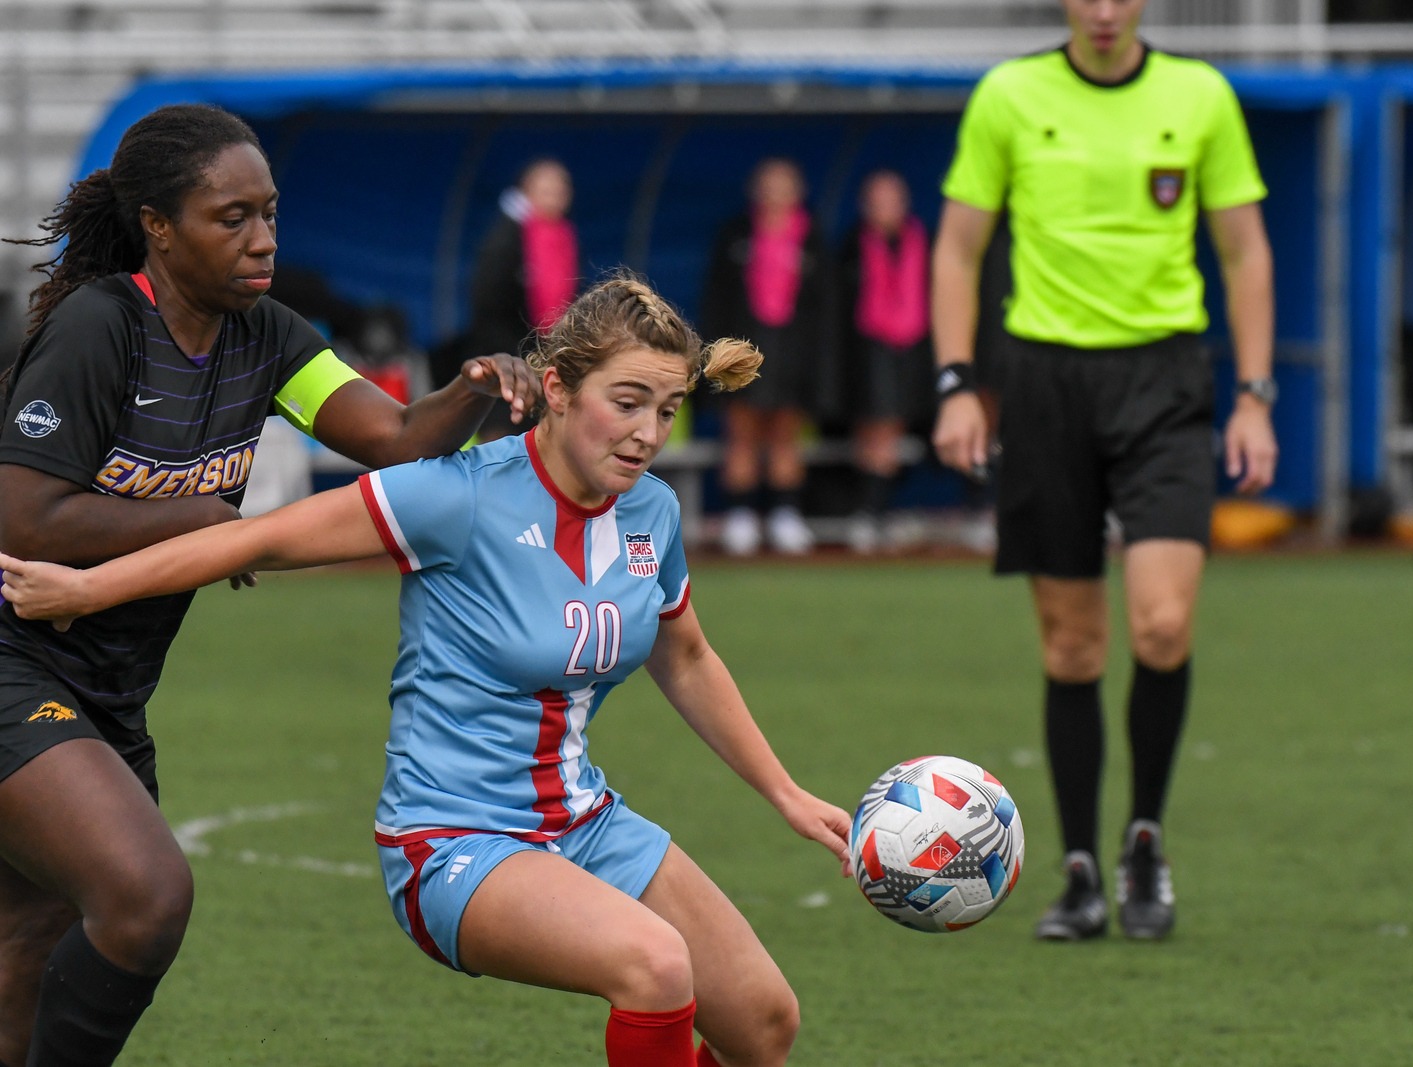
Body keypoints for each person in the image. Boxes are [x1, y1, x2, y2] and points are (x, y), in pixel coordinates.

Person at [0, 276, 852, 1067]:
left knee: (763, 1019)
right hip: (454, 841)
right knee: (657, 966)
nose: (646, 434)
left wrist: (786, 792)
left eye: (666, 410)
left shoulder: (652, 513)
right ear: (557, 389)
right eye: (626, 402)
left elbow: (688, 654)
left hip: (585, 821)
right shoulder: (460, 494)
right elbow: (254, 538)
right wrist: (85, 584)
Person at [0, 102, 540, 1066]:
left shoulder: (269, 337)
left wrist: (473, 387)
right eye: (233, 218)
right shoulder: (100, 327)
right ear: (158, 227)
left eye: (272, 214)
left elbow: (395, 441)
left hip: (111, 693)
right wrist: (202, 522)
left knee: (30, 952)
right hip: (14, 665)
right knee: (145, 895)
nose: (264, 241)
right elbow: (21, 518)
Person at [930, 0, 1278, 943]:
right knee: (1071, 648)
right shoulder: (1009, 93)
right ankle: (1080, 870)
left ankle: (1145, 842)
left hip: (1165, 375)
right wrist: (959, 382)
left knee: (1163, 622)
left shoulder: (1199, 93)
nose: (1107, 11)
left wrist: (1253, 394)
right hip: (1043, 383)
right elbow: (959, 247)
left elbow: (1245, 251)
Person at [700, 157, 833, 557]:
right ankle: (741, 518)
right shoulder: (735, 236)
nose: (776, 194)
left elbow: (825, 309)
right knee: (741, 435)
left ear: (799, 192)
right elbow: (716, 301)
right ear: (756, 191)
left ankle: (784, 516)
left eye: (784, 185)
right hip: (742, 353)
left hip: (791, 356)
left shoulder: (813, 240)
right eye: (768, 185)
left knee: (784, 436)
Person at [442, 157, 581, 445]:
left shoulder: (561, 236)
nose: (555, 198)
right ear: (527, 191)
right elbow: (488, 301)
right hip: (505, 358)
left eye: (561, 191)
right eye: (547, 190)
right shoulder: (506, 237)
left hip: (540, 357)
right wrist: (514, 355)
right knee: (501, 439)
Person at [835, 170, 933, 554]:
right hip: (865, 353)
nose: (885, 209)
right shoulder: (851, 247)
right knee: (873, 431)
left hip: (913, 352)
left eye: (892, 200)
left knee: (893, 432)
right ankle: (868, 513)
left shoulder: (924, 242)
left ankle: (881, 510)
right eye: (877, 201)